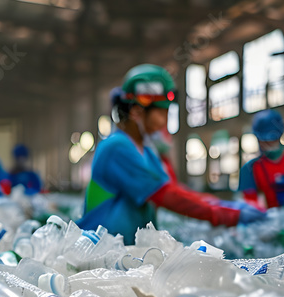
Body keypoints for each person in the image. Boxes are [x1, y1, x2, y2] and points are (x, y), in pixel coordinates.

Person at [78, 64, 265, 243]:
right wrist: (226, 214)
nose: (165, 121)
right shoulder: (116, 148)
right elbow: (166, 195)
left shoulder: (147, 153)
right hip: (101, 250)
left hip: (127, 251)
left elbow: (175, 189)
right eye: (161, 113)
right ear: (136, 111)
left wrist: (221, 204)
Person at [239, 109, 284, 216]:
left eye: (272, 139)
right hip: (267, 224)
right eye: (264, 140)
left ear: (280, 135)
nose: (268, 143)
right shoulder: (249, 170)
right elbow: (251, 207)